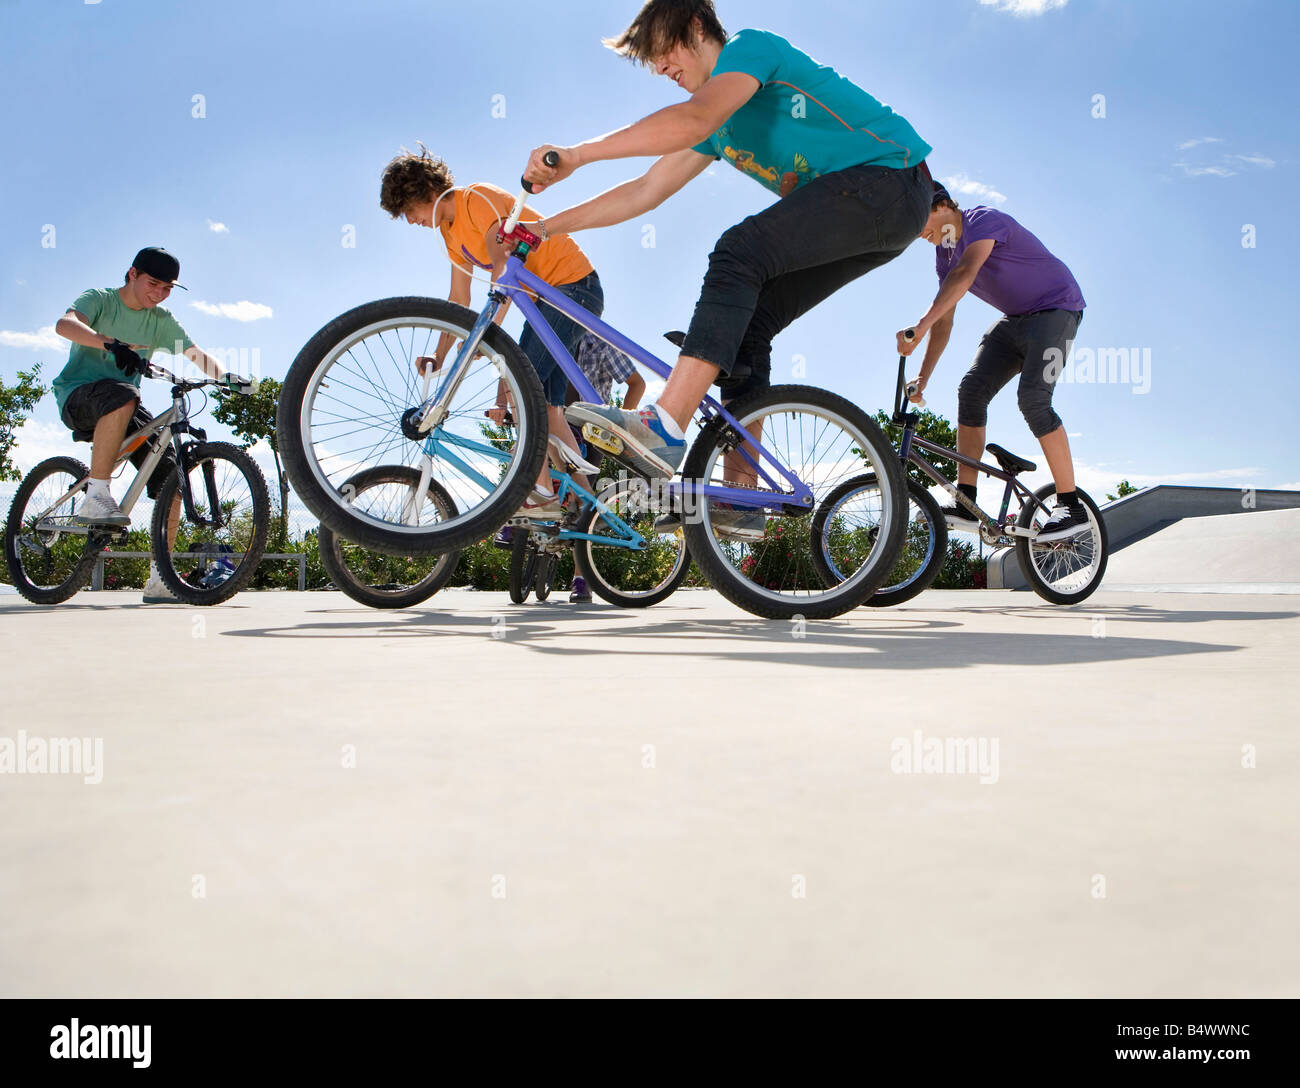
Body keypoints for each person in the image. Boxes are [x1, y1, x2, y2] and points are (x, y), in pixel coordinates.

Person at [520, 0, 932, 539]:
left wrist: (578, 154)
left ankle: (665, 425)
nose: (661, 69)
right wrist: (543, 228)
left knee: (739, 251)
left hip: (887, 179)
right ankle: (742, 496)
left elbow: (694, 117)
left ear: (695, 25)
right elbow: (645, 190)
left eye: (662, 52)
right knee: (748, 327)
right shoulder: (715, 126)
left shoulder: (751, 50)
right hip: (874, 223)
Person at [379, 146, 608, 522]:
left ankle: (539, 494)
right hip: (546, 303)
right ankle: (590, 508)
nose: (410, 221)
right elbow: (458, 299)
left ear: (425, 192)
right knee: (548, 409)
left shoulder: (475, 200)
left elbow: (501, 275)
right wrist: (440, 355)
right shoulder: (452, 238)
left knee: (522, 390)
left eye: (408, 211)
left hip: (571, 285)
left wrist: (484, 339)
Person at [898, 184, 1089, 542]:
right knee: (971, 390)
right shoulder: (943, 256)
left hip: (1057, 312)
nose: (917, 233)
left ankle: (1070, 505)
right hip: (1015, 320)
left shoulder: (983, 220)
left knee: (1033, 398)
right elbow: (945, 319)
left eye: (918, 221)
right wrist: (923, 376)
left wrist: (918, 325)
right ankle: (966, 501)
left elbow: (967, 272)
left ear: (941, 206)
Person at [52, 246, 233, 603]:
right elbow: (64, 325)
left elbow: (195, 354)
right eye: (153, 283)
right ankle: (97, 497)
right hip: (79, 397)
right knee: (123, 394)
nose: (159, 293)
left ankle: (159, 577)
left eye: (167, 288)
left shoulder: (161, 321)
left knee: (172, 478)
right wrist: (109, 343)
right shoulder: (101, 300)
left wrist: (228, 378)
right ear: (132, 274)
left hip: (124, 403)